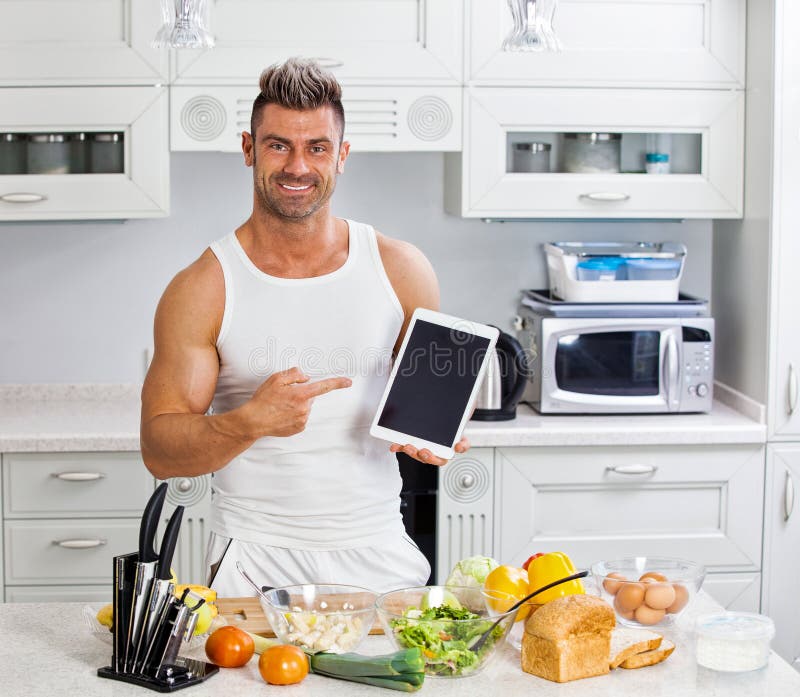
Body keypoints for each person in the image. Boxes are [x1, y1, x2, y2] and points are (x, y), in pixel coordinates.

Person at [140, 58, 470, 596]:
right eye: (278, 145)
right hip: (252, 560)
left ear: (341, 155)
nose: (298, 165)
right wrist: (248, 421)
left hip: (379, 549)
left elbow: (435, 402)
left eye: (317, 147)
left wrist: (440, 430)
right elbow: (159, 450)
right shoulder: (202, 287)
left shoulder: (402, 268)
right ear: (249, 149)